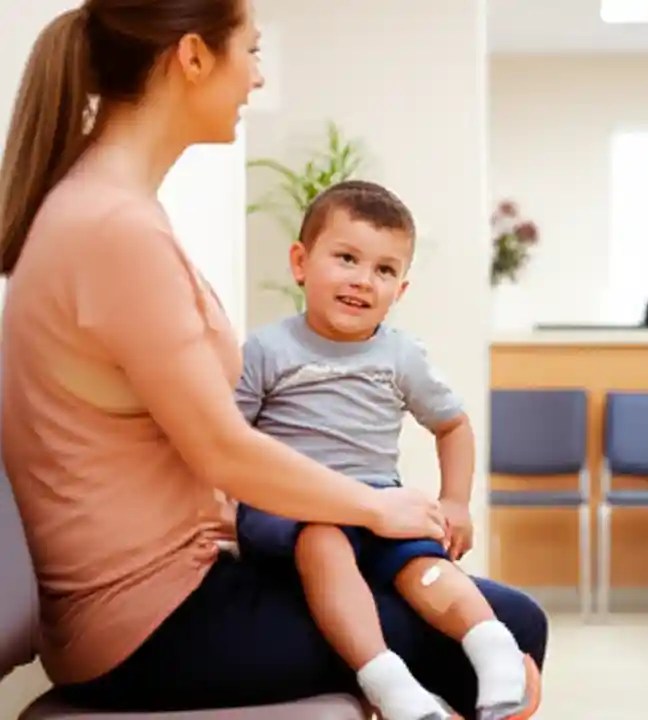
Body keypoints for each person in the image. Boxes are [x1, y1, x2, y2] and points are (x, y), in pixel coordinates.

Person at [0, 0, 546, 716]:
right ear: (193, 58)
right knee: (512, 632)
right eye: (251, 51)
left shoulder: (107, 209)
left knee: (497, 621)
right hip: (149, 625)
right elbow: (224, 449)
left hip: (168, 591)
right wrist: (378, 508)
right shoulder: (112, 228)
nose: (258, 76)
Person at [234, 179, 538, 720]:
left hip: (376, 501)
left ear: (400, 290)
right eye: (346, 258)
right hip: (293, 509)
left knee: (425, 557)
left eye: (384, 270)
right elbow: (229, 442)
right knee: (323, 537)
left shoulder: (400, 355)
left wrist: (455, 502)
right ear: (301, 262)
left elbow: (453, 425)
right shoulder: (266, 349)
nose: (362, 281)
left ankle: (492, 648)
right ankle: (388, 682)